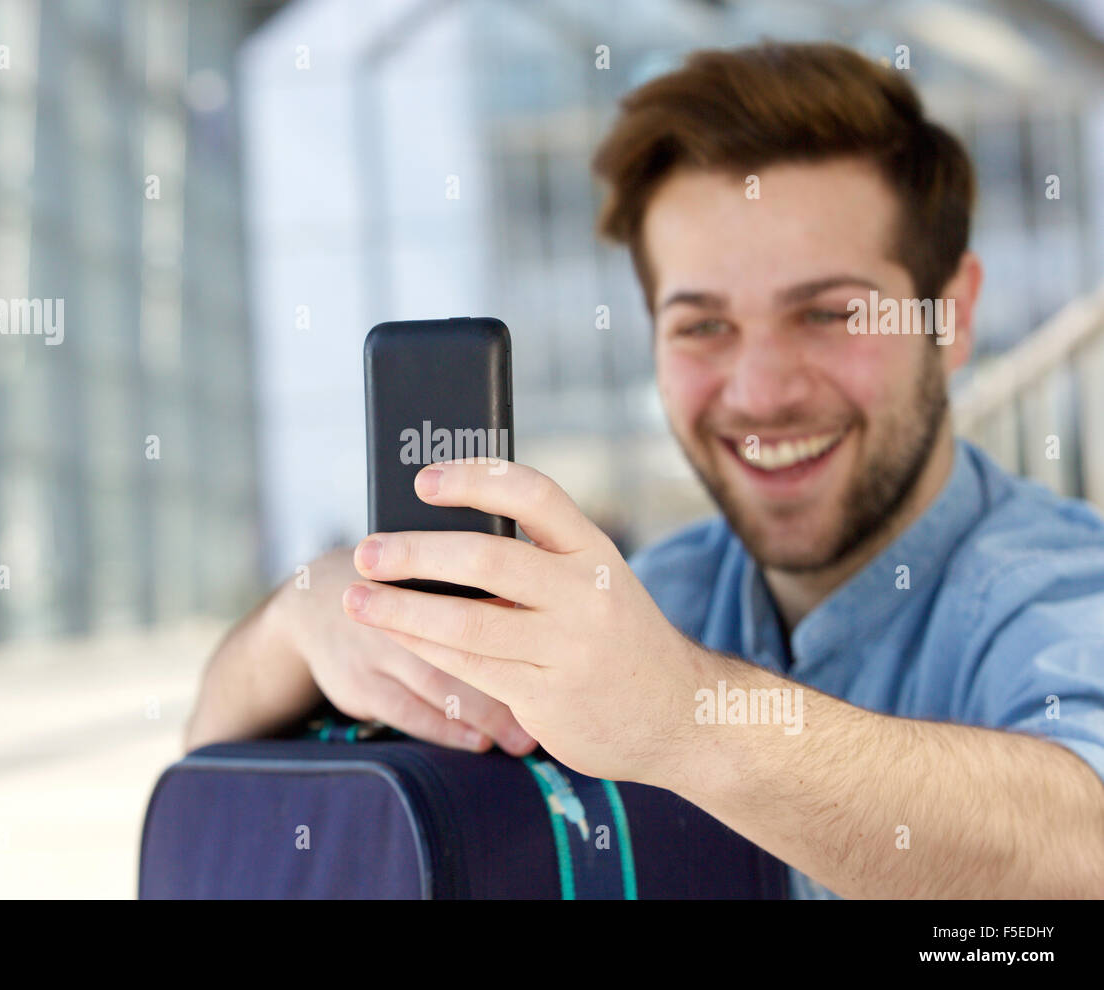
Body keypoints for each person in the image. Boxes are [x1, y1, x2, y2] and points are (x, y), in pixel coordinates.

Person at [185, 42, 1104, 898]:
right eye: (703, 325)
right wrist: (295, 626)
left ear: (954, 317)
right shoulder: (655, 595)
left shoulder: (1056, 586)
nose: (761, 390)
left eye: (829, 314)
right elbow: (219, 808)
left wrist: (683, 716)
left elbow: (1082, 839)